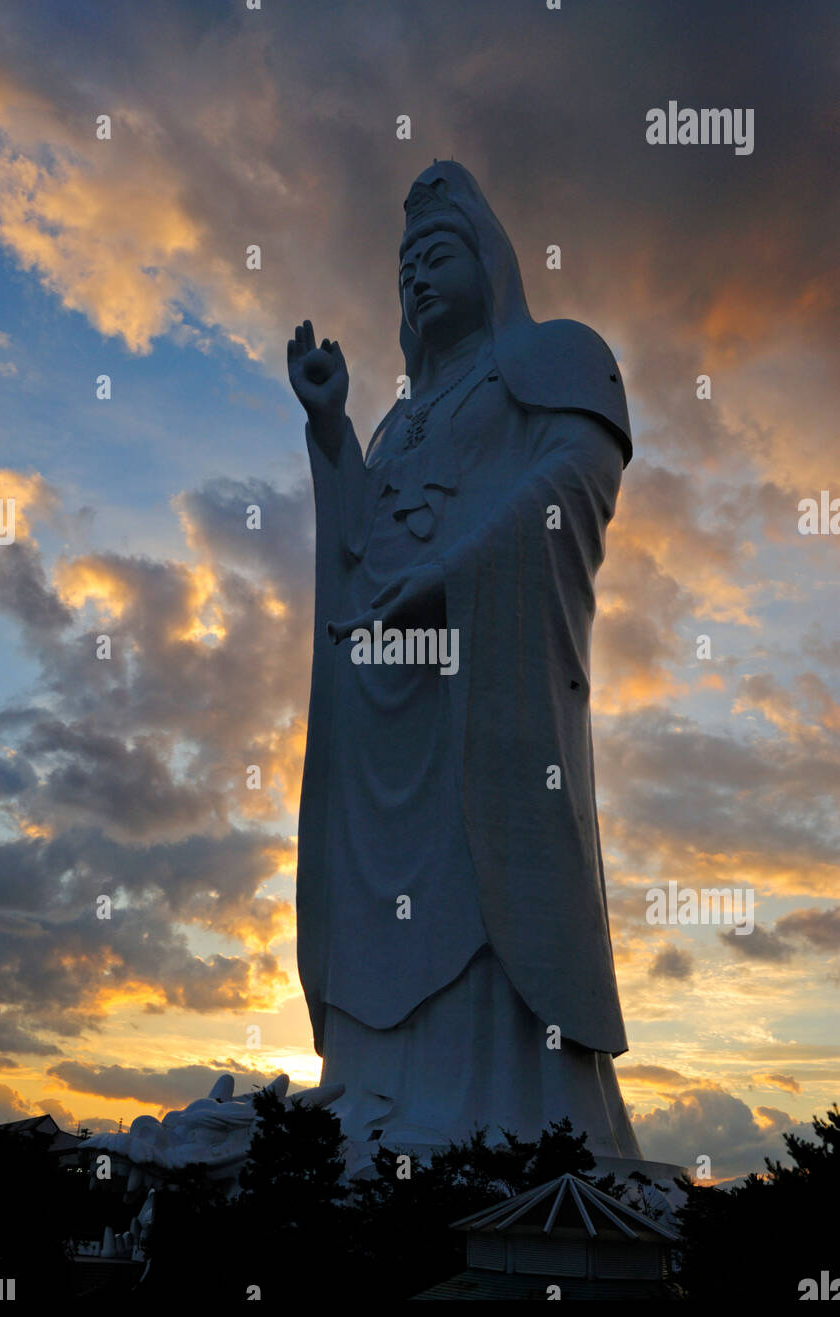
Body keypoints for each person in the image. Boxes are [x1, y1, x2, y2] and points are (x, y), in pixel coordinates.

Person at [289, 161, 642, 1160]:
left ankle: (501, 1114)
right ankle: (378, 1086)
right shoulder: (401, 419)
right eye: (403, 267)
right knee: (382, 889)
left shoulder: (557, 357)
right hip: (389, 698)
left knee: (484, 863)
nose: (415, 279)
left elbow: (579, 476)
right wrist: (331, 429)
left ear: (493, 263)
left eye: (437, 255)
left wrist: (453, 574)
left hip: (488, 677)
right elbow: (362, 550)